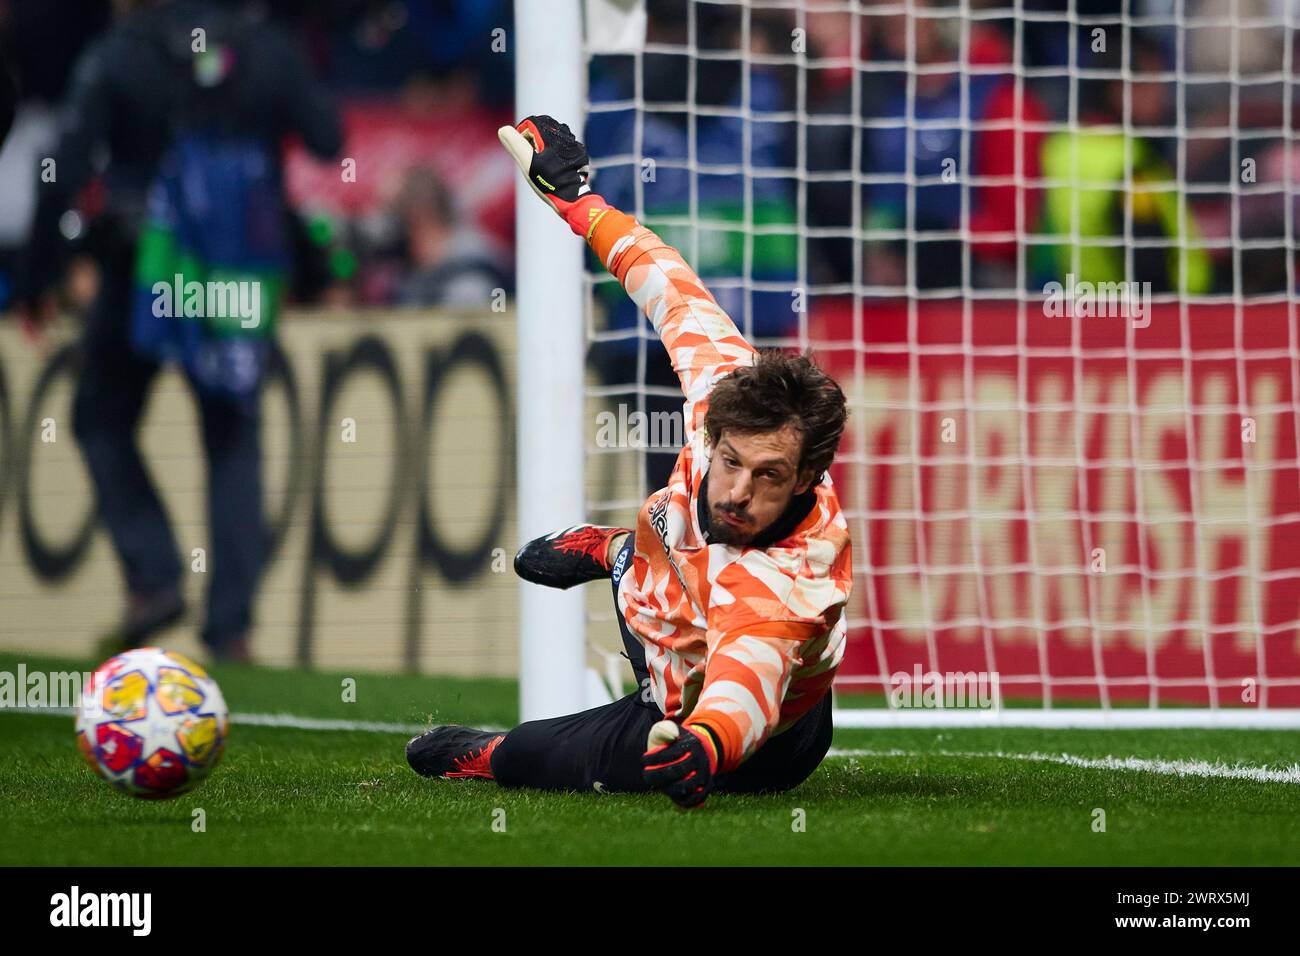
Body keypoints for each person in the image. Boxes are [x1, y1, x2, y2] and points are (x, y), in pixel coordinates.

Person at [406, 116, 854, 809]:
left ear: (805, 478)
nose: (735, 490)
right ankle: (620, 553)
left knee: (534, 755)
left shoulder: (792, 577)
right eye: (730, 460)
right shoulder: (723, 388)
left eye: (768, 477)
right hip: (679, 603)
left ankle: (492, 750)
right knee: (666, 515)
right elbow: (664, 280)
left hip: (758, 744)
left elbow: (747, 681)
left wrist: (701, 745)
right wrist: (577, 200)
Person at [13, 0, 341, 661]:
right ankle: (233, 629)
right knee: (233, 434)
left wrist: (36, 278)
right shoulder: (263, 44)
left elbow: (68, 160)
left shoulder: (121, 50)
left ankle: (155, 576)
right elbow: (329, 139)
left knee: (101, 416)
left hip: (147, 261)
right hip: (239, 262)